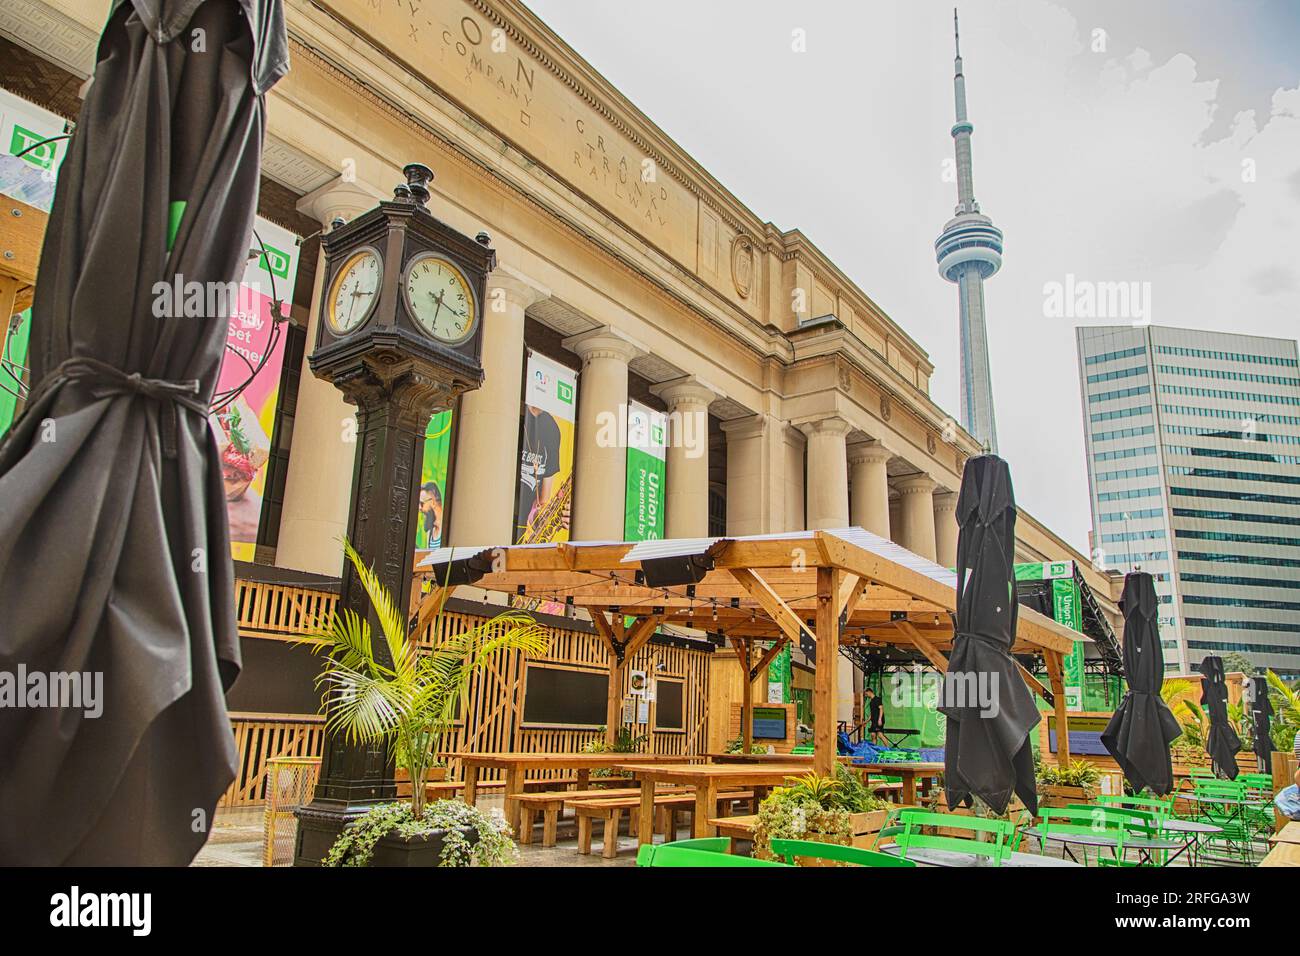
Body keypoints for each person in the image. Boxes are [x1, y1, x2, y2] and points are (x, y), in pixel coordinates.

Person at [517, 403, 563, 539]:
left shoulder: (552, 429)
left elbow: (542, 501)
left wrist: (547, 518)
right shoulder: (516, 412)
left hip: (521, 529)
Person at [418, 481, 443, 548]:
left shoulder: (447, 530)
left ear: (433, 502)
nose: (419, 508)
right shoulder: (430, 534)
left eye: (421, 503)